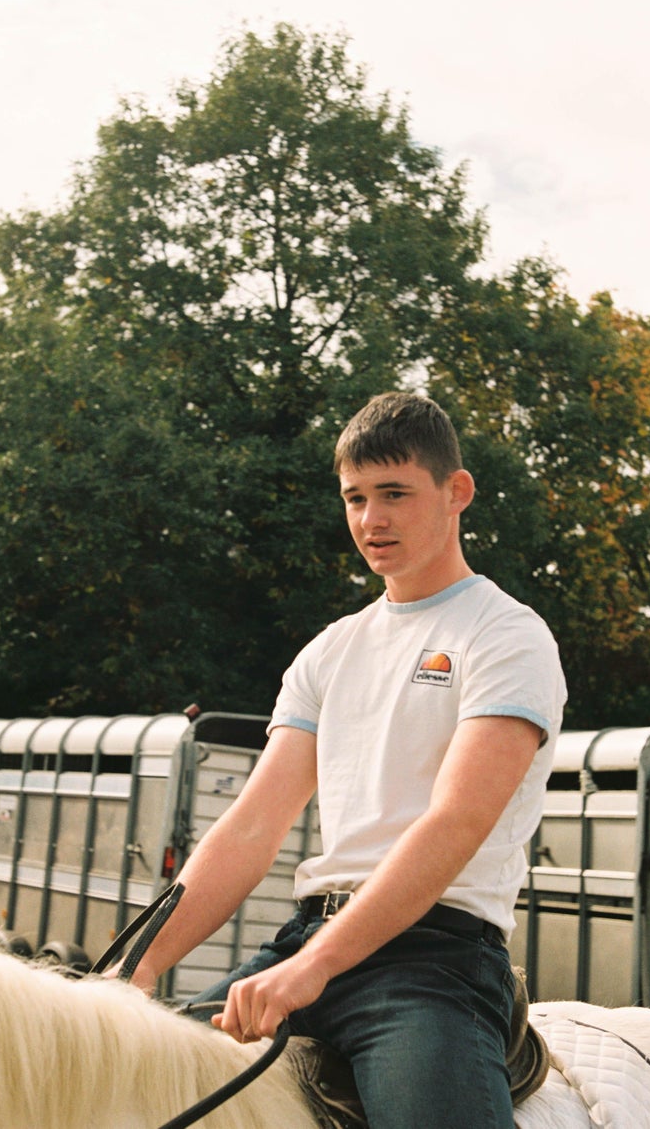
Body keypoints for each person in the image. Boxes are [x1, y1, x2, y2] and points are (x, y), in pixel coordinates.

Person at [114, 392, 567, 1128]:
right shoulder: (330, 651)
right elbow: (251, 826)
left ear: (457, 493)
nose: (371, 520)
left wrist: (316, 967)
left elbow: (454, 824)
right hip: (303, 939)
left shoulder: (507, 635)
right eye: (354, 498)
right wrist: (139, 963)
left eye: (394, 494)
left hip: (432, 963)